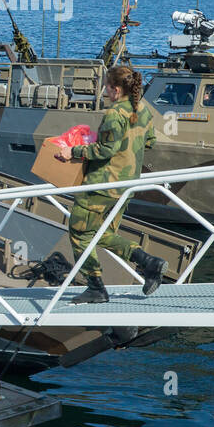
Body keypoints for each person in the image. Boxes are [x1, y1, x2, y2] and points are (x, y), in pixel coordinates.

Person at [56, 65, 166, 303]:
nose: (105, 91)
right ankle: (148, 263)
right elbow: (150, 142)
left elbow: (105, 149)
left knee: (80, 234)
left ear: (116, 90)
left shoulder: (114, 114)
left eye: (106, 87)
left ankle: (96, 286)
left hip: (102, 185)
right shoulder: (143, 109)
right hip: (126, 186)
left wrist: (71, 151)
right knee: (104, 234)